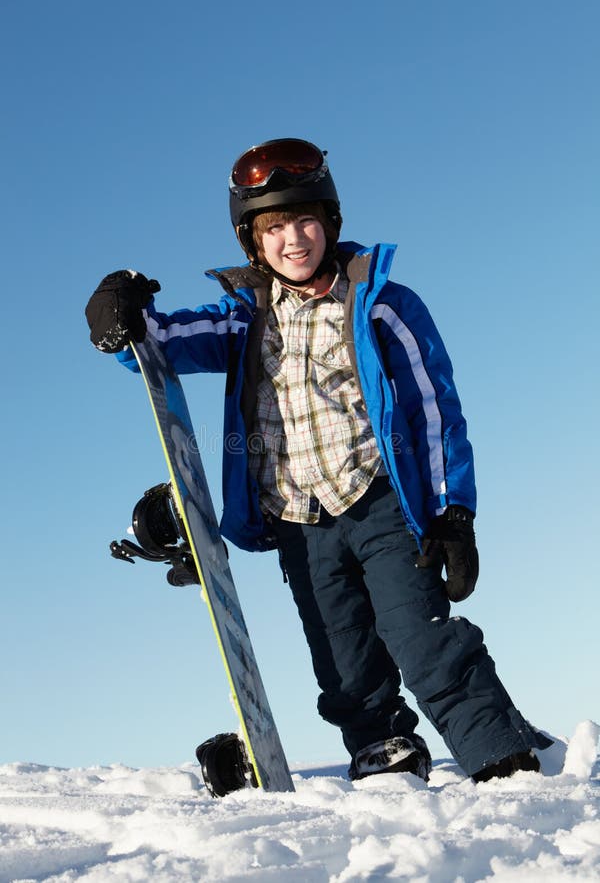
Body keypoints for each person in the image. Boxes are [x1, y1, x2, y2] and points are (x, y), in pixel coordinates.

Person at [86, 137, 551, 782]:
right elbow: (163, 342)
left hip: (382, 503)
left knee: (422, 639)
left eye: (305, 219)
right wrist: (125, 317)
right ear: (252, 242)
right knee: (342, 656)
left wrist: (452, 513)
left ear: (331, 222)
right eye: (273, 227)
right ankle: (382, 749)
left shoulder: (380, 302)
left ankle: (502, 755)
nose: (293, 239)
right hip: (299, 521)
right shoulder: (243, 319)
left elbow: (434, 408)